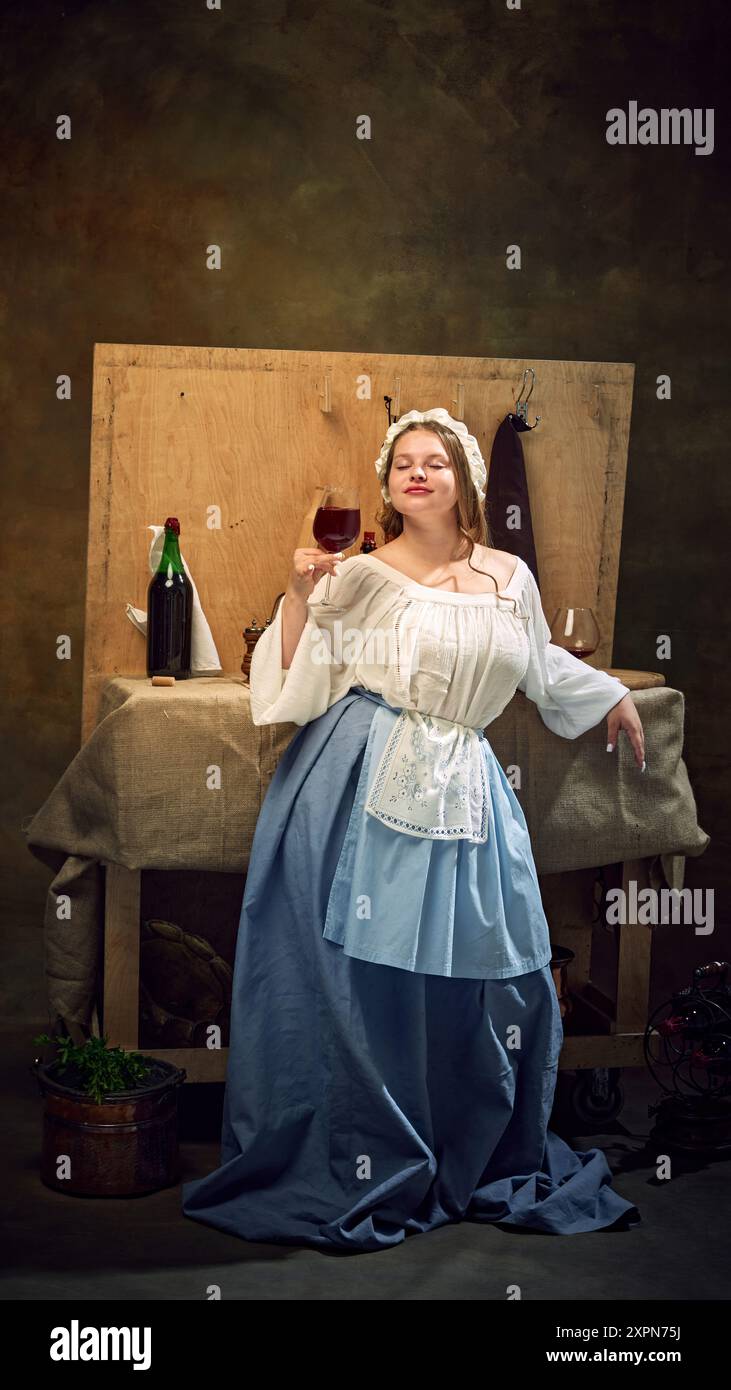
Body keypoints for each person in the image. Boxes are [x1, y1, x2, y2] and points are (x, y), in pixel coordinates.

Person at [182, 407, 644, 1252]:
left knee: (497, 975)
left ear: (462, 479)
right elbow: (299, 682)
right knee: (361, 976)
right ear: (388, 486)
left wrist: (608, 693)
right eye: (402, 463)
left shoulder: (508, 575)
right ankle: (359, 1143)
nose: (417, 473)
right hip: (359, 771)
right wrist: (298, 594)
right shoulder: (360, 574)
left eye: (435, 461)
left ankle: (464, 1134)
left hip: (464, 780)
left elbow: (538, 663)